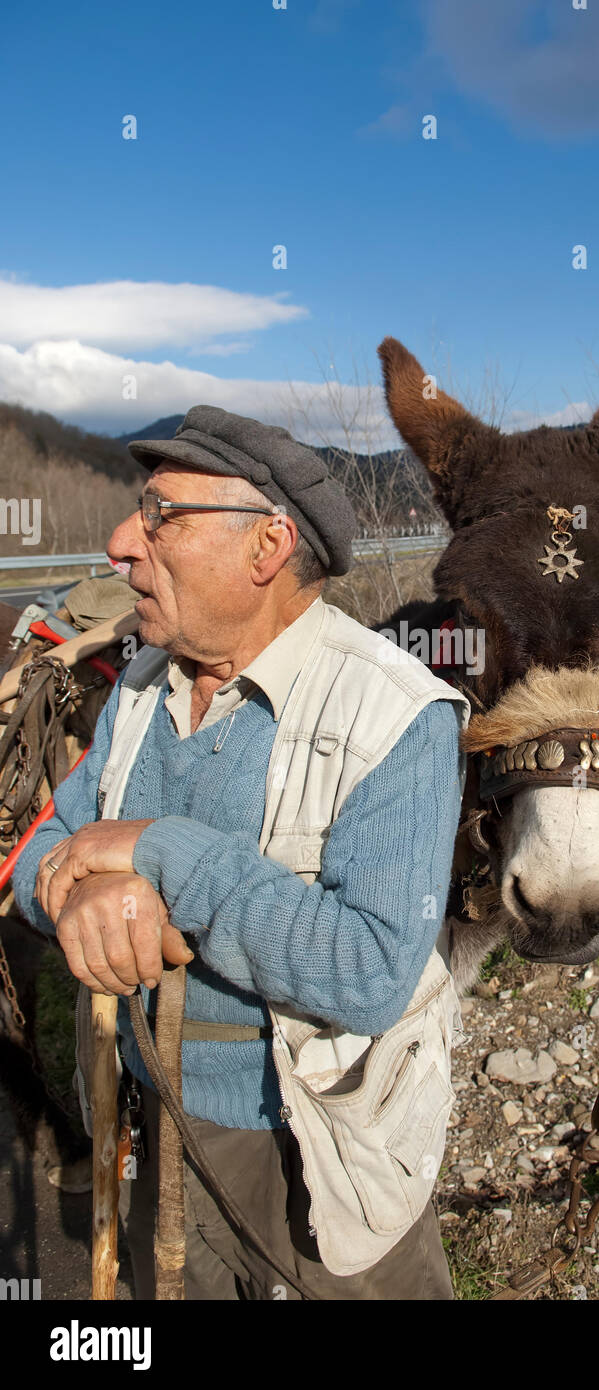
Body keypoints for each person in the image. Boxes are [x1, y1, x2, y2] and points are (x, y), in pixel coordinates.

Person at [13, 404, 470, 1300]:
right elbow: (47, 847)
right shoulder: (142, 683)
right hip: (150, 1124)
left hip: (317, 1152)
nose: (121, 543)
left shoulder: (393, 715)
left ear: (266, 548)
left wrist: (161, 855)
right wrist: (79, 901)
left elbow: (373, 968)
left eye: (160, 514)